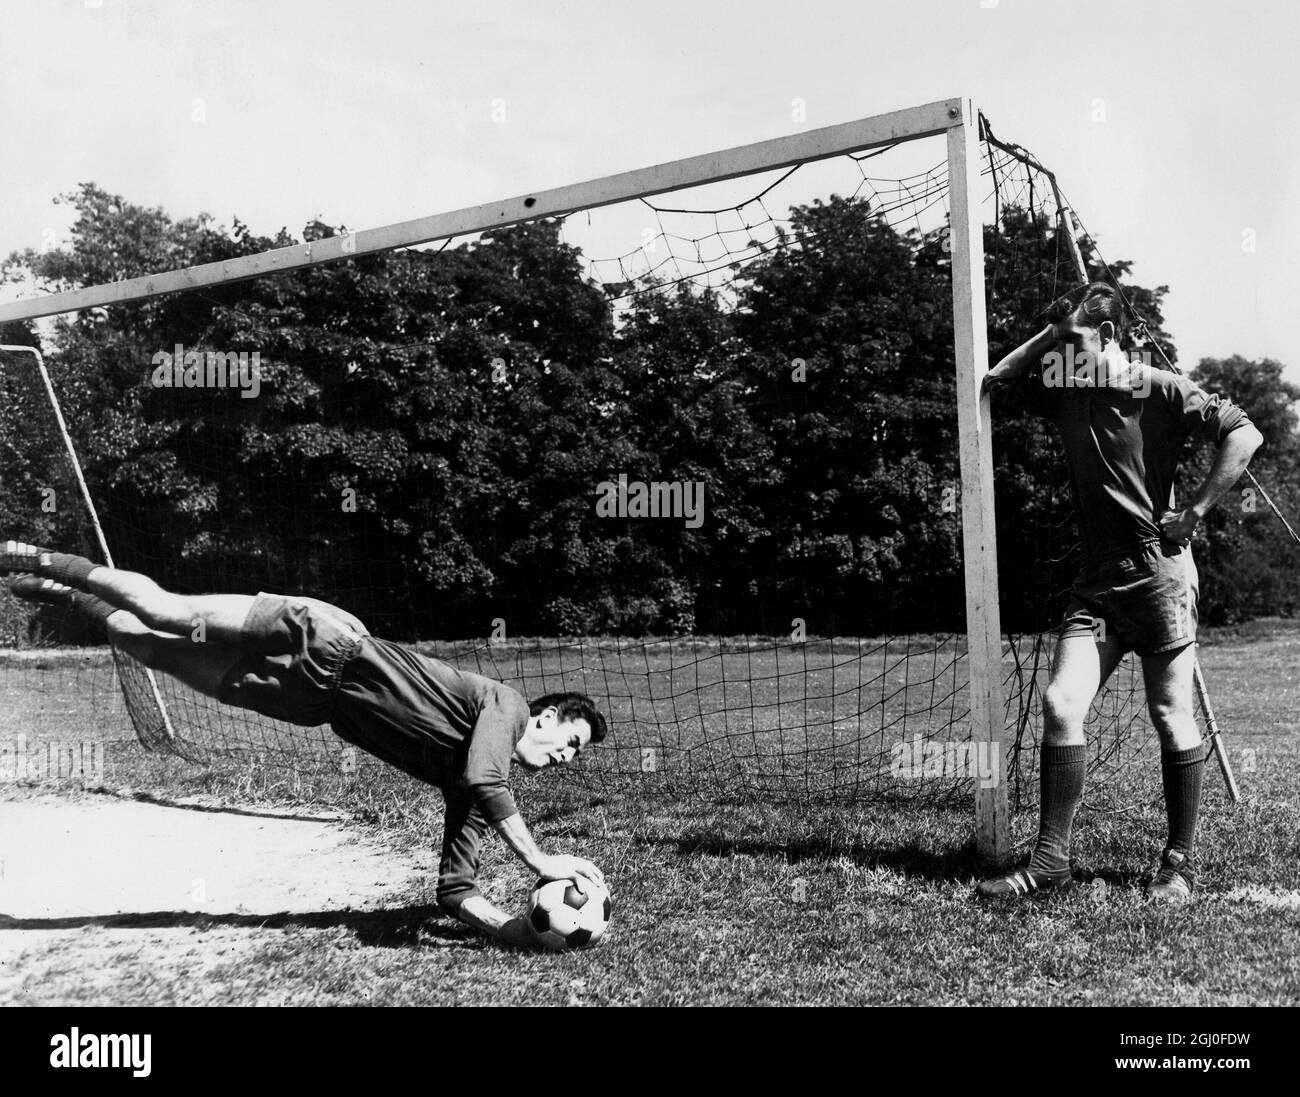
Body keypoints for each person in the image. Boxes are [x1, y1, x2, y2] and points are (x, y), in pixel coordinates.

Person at [1, 541, 607, 944]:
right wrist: (540, 861)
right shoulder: (505, 705)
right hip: (325, 639)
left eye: (575, 757)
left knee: (151, 649)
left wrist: (511, 929)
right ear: (548, 716)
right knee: (166, 613)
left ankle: (72, 598)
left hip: (307, 703)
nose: (565, 757)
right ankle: (45, 558)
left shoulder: (475, 785)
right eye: (570, 741)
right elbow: (486, 779)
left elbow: (456, 890)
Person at [978, 282, 1262, 904]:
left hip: (1157, 575)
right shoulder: (1064, 386)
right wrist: (1059, 332)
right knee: (1059, 704)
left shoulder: (1158, 387)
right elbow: (999, 374)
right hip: (1098, 584)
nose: (1063, 356)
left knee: (1169, 715)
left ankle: (1178, 866)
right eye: (1060, 346)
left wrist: (1194, 511)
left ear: (1111, 338)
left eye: (1076, 343)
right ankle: (1051, 863)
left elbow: (1245, 434)